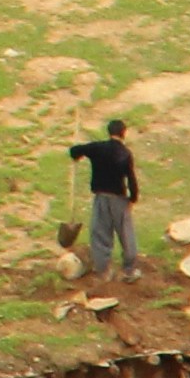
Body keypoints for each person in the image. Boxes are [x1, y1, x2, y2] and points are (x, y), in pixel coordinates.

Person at [67, 116, 146, 283]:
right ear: (123, 133)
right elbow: (131, 179)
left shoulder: (97, 148)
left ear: (108, 132)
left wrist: (76, 154)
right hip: (119, 199)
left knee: (101, 233)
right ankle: (129, 270)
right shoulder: (125, 153)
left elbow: (74, 151)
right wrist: (133, 198)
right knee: (126, 234)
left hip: (101, 196)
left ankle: (103, 271)